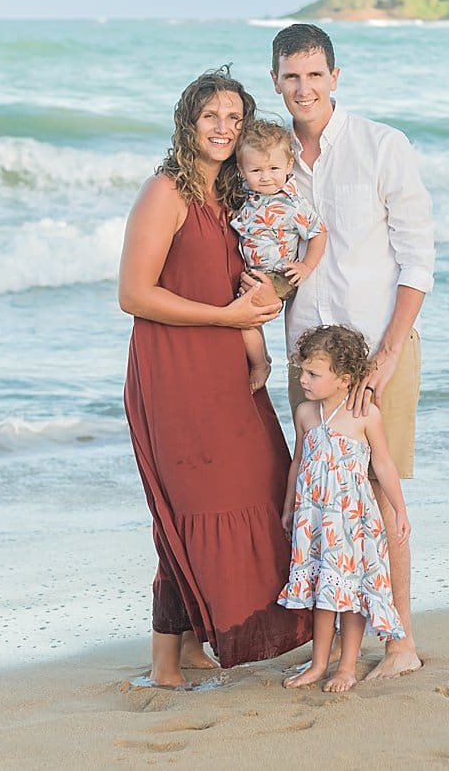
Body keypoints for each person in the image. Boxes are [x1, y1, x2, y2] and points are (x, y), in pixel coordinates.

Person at [249, 23, 434, 681]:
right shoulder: (267, 159)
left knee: (379, 495)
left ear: (335, 77)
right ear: (274, 81)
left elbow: (417, 262)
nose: (304, 87)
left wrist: (385, 357)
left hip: (377, 353)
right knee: (324, 502)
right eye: (291, 77)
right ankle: (333, 647)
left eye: (315, 75)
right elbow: (266, 252)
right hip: (311, 363)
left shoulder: (382, 147)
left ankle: (401, 644)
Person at [118, 66, 311, 687]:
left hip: (230, 365)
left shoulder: (235, 196)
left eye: (234, 117)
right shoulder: (165, 192)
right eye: (211, 117)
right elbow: (133, 294)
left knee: (263, 481)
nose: (224, 128)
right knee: (188, 508)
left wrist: (262, 308)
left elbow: (252, 271)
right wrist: (225, 317)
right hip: (173, 370)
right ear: (188, 123)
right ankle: (165, 665)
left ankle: (205, 640)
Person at [278, 324, 410, 693]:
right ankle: (320, 664)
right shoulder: (306, 413)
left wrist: (400, 511)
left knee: (349, 596)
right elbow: (298, 460)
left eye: (313, 374)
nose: (303, 379)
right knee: (324, 593)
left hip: (352, 522)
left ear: (344, 379)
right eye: (302, 371)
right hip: (315, 519)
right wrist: (289, 507)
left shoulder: (365, 416)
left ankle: (347, 668)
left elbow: (383, 465)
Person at [229, 118, 328, 392]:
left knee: (244, 317)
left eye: (274, 168)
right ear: (242, 169)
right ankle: (259, 359)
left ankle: (261, 364)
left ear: (288, 166)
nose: (266, 176)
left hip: (279, 274)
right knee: (241, 318)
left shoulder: (292, 204)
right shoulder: (248, 194)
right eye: (256, 169)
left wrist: (306, 267)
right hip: (254, 271)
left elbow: (319, 232)